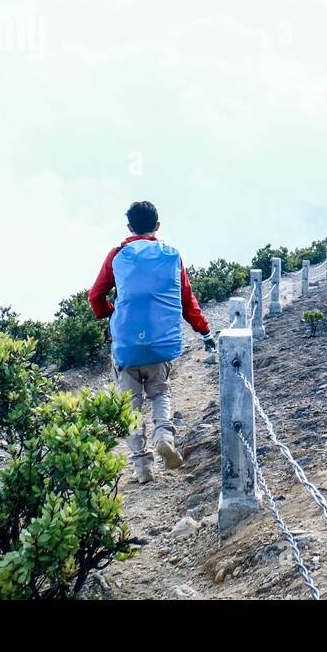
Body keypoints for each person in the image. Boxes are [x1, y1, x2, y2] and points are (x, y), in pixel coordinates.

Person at [88, 200, 216, 483]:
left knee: (130, 406)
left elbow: (95, 297)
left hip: (126, 348)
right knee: (160, 394)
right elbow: (186, 300)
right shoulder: (171, 256)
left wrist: (110, 314)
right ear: (157, 227)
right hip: (160, 346)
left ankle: (142, 467)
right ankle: (163, 436)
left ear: (129, 228)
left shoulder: (116, 256)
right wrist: (204, 332)